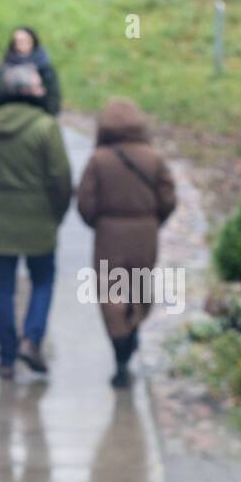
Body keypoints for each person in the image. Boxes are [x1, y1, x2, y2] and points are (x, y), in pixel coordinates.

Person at [0, 64, 73, 379]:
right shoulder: (45, 127)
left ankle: (6, 357)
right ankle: (31, 339)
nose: (43, 91)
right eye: (38, 86)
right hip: (40, 218)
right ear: (25, 91)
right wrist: (57, 212)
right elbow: (60, 177)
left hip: (1, 216)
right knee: (43, 281)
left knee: (4, 287)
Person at [77, 98, 177, 388]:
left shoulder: (98, 160)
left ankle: (120, 346)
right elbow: (168, 198)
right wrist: (154, 220)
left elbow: (86, 202)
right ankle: (133, 328)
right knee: (140, 287)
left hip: (109, 235)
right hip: (145, 233)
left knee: (111, 291)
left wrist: (98, 222)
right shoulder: (154, 159)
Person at [0, 27, 61, 116]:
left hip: (35, 113)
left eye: (24, 40)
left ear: (33, 41)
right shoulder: (7, 65)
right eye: (17, 41)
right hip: (8, 112)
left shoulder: (44, 67)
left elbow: (53, 100)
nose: (21, 44)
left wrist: (38, 94)